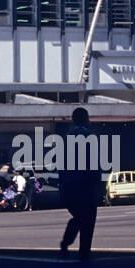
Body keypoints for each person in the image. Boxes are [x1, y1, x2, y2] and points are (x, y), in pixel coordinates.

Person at [59, 108, 102, 259]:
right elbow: (95, 164)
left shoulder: (66, 138)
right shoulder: (90, 137)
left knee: (79, 216)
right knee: (88, 218)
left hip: (71, 184)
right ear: (86, 119)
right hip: (87, 184)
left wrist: (62, 183)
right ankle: (84, 250)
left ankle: (67, 241)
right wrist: (98, 184)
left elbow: (61, 164)